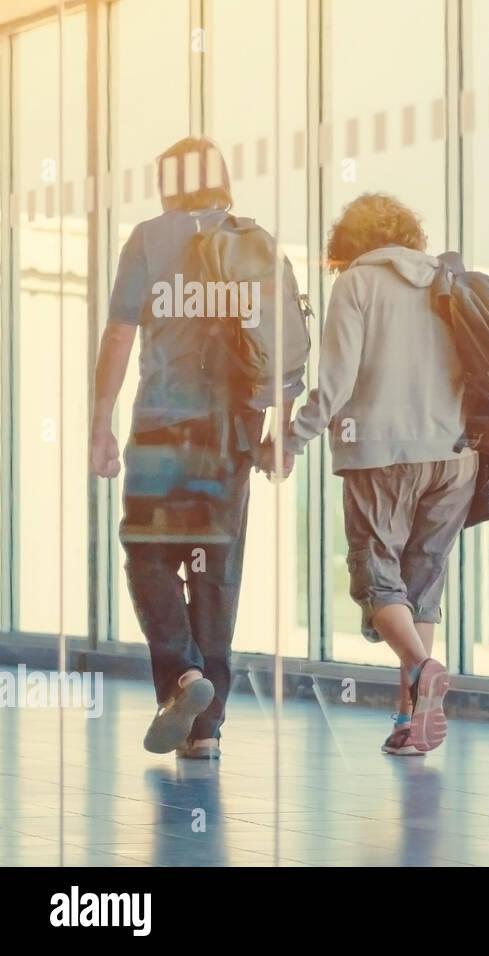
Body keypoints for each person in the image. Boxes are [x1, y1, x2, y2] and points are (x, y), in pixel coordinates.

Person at [91, 136, 299, 759]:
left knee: (148, 554)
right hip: (232, 432)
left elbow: (120, 334)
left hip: (161, 428)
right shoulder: (261, 247)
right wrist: (279, 434)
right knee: (216, 574)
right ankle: (205, 733)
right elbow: (290, 347)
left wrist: (99, 421)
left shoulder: (150, 239)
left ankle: (183, 678)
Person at [271, 193, 475, 756]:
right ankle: (410, 722)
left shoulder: (356, 284)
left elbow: (335, 385)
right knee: (422, 586)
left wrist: (289, 440)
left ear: (350, 243)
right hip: (455, 457)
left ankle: (423, 667)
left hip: (380, 454)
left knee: (375, 577)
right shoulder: (446, 280)